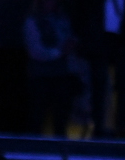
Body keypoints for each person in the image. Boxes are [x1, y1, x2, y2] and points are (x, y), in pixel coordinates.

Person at [78, 0, 125, 136]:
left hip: (123, 40)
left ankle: (121, 127)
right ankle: (99, 126)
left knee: (123, 86)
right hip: (100, 40)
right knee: (99, 86)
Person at [24, 0, 83, 136]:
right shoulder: (32, 22)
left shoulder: (62, 20)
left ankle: (61, 149)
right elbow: (36, 51)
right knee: (37, 116)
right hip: (41, 77)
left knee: (61, 117)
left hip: (62, 76)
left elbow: (69, 39)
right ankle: (34, 150)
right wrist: (60, 52)